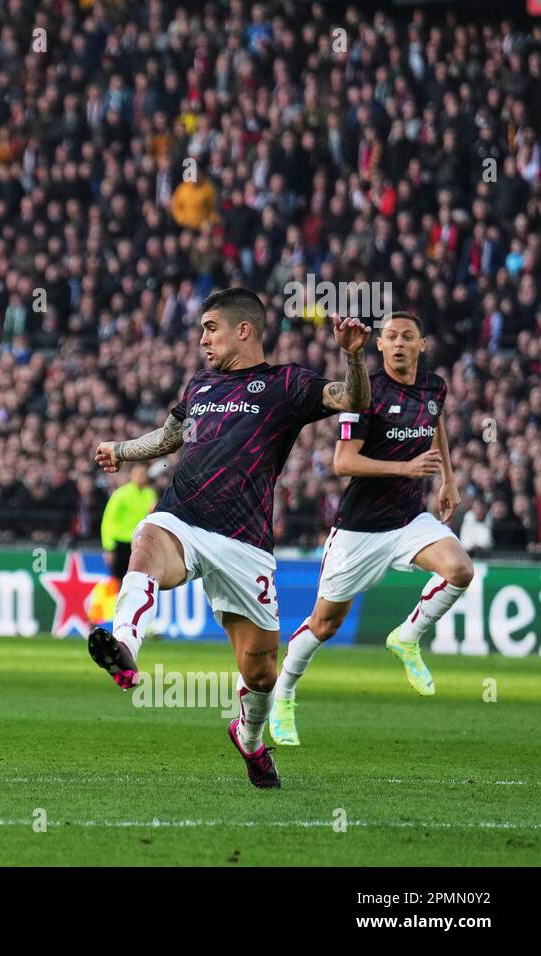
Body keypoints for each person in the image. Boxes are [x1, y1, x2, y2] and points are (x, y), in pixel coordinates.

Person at [91, 288, 371, 788]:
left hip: (245, 542)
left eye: (209, 328)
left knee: (261, 672)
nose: (201, 340)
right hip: (184, 517)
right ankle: (125, 647)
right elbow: (168, 437)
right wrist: (122, 449)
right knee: (146, 542)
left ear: (244, 330)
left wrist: (352, 356)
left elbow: (352, 399)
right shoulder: (200, 385)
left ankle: (249, 737)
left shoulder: (285, 384)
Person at [270, 312, 474, 745]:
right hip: (359, 529)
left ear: (422, 345)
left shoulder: (433, 387)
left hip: (408, 520)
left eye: (408, 337)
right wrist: (407, 467)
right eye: (391, 337)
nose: (399, 343)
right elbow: (343, 461)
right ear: (379, 346)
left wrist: (448, 482)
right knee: (324, 625)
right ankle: (283, 694)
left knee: (460, 570)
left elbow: (434, 422)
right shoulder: (366, 395)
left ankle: (407, 636)